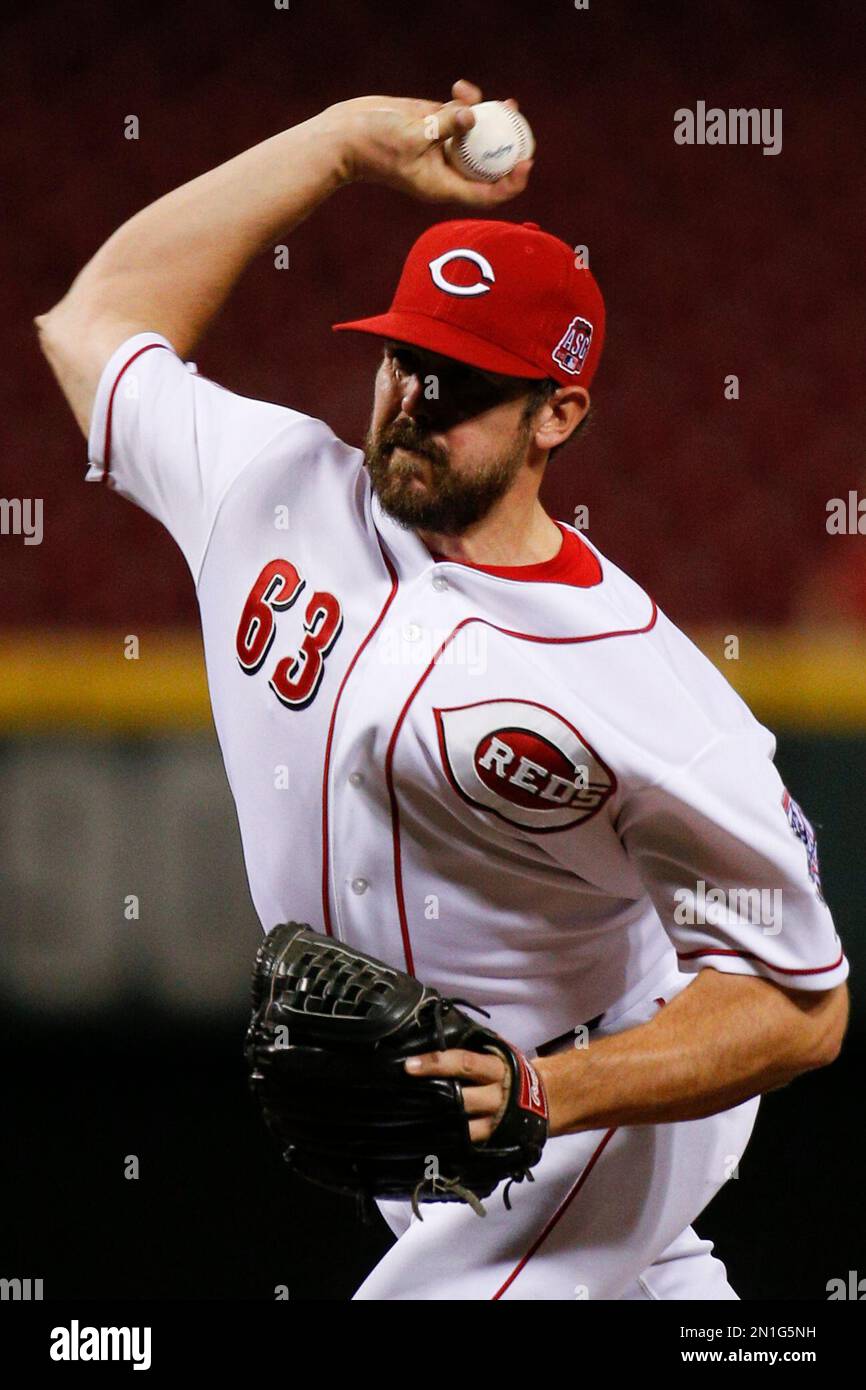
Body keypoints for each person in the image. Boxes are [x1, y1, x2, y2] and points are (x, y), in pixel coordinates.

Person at [36, 78, 849, 1300]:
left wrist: (544, 1094)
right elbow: (92, 319)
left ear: (555, 414)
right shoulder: (266, 488)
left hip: (590, 1107)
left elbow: (799, 1004)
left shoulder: (644, 689)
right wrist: (334, 146)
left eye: (463, 383)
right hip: (450, 1144)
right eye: (404, 360)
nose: (415, 402)